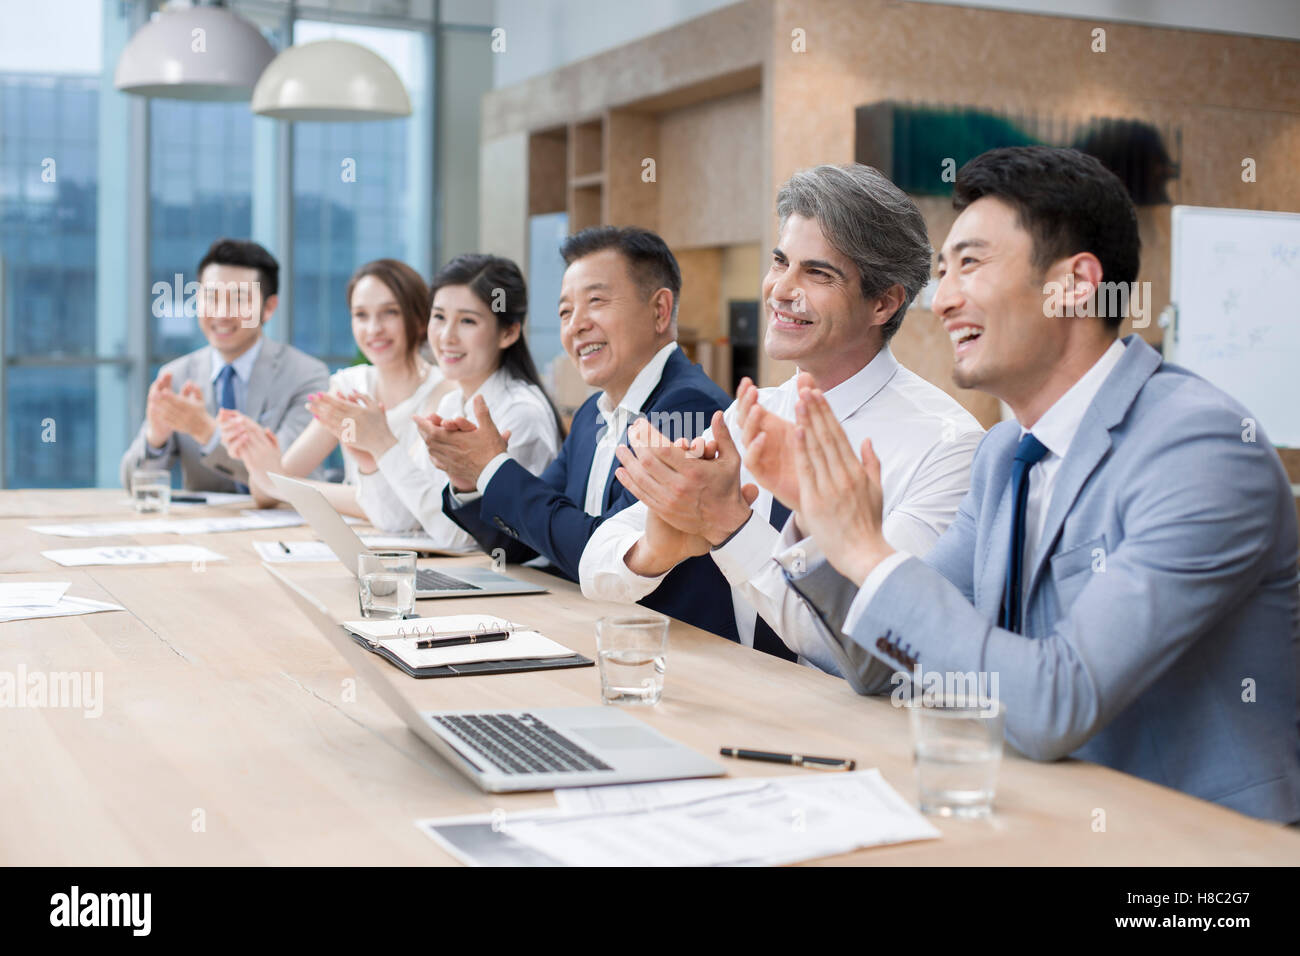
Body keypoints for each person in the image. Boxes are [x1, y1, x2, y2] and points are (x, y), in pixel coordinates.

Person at [772, 146, 1300, 823]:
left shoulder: (1202, 449)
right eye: (941, 271)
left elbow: (1059, 702)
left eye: (971, 264)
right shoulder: (1004, 455)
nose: (943, 300)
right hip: (1038, 816)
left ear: (1075, 284)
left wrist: (868, 550)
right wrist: (828, 530)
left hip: (1194, 847)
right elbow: (881, 666)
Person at [577, 165, 984, 666]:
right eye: (779, 262)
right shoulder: (755, 412)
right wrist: (657, 550)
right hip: (753, 710)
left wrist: (731, 525)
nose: (779, 290)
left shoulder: (949, 446)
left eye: (817, 273)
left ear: (884, 302)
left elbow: (874, 643)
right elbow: (596, 564)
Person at [421, 227, 737, 640]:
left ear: (660, 311)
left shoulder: (688, 409)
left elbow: (600, 550)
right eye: (565, 312)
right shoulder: (593, 413)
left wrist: (494, 468)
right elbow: (522, 543)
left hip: (668, 651)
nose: (576, 326)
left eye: (596, 301)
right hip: (591, 632)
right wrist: (471, 478)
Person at [261, 253, 562, 549]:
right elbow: (400, 518)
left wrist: (383, 445)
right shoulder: (453, 404)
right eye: (440, 317)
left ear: (508, 333)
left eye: (468, 321)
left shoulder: (521, 413)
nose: (446, 336)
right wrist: (368, 461)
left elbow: (462, 537)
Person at [220, 258, 442, 526]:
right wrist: (256, 453)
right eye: (361, 315)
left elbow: (408, 507)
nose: (374, 329)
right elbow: (268, 494)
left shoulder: (443, 393)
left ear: (420, 319)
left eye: (390, 312)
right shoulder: (349, 387)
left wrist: (281, 483)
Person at [119, 238, 328, 492]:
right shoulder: (177, 375)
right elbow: (133, 486)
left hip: (287, 525)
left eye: (239, 300)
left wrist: (205, 430)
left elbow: (281, 477)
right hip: (203, 528)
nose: (221, 313)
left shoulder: (307, 376)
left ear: (269, 307)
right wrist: (156, 438)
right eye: (211, 297)